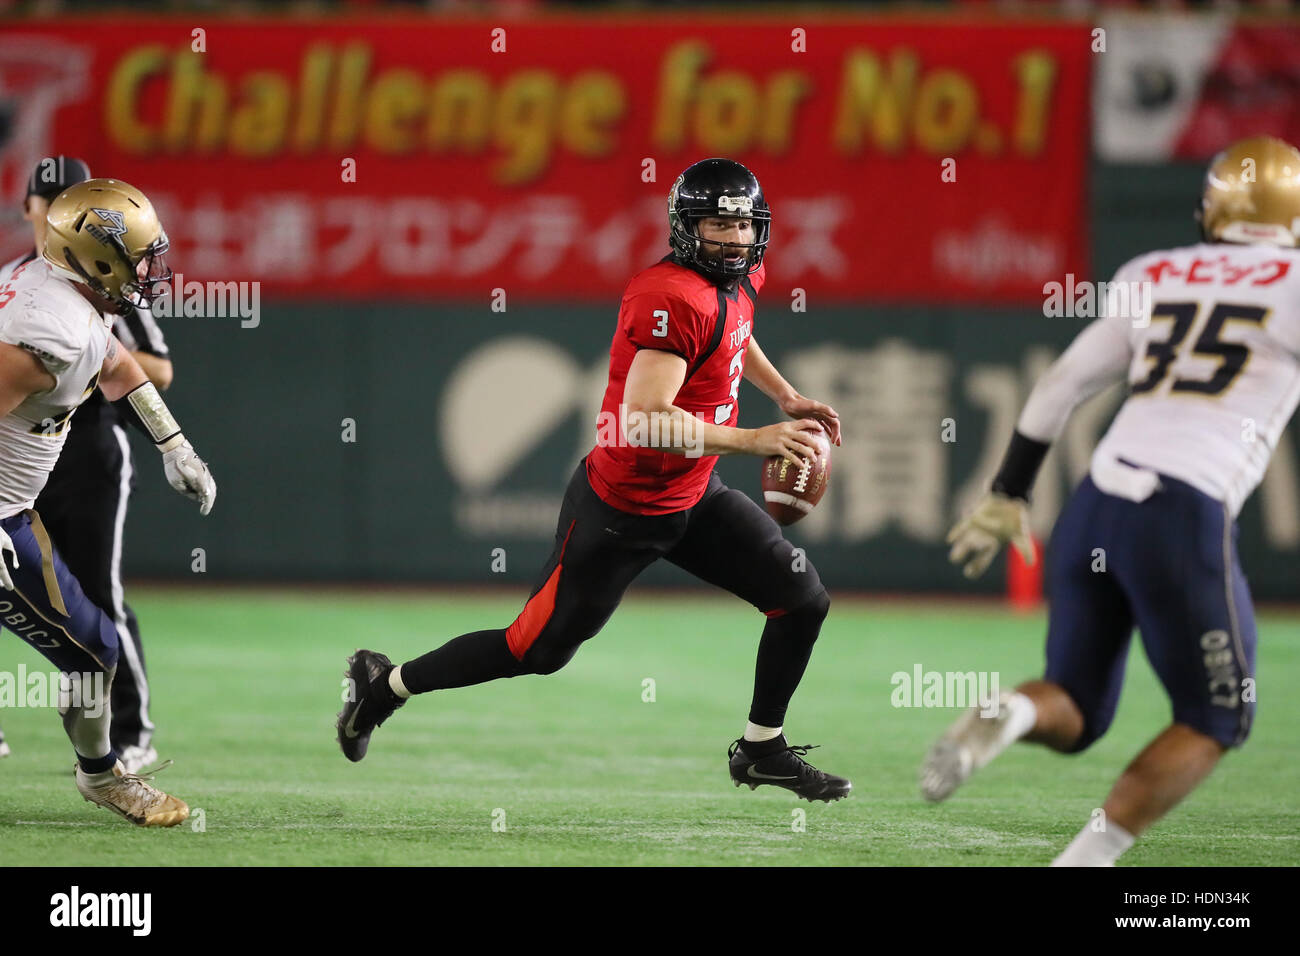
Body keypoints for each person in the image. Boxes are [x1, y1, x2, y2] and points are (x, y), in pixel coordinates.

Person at [337, 158, 852, 801]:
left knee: (801, 598)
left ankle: (761, 748)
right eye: (717, 225)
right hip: (623, 509)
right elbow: (642, 421)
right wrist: (754, 440)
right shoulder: (668, 296)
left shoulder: (741, 275)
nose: (732, 240)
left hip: (694, 494)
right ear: (687, 227)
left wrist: (786, 395)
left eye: (743, 226)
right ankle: (382, 686)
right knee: (533, 650)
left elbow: (734, 335)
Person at [926, 135, 1300, 865]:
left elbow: (1060, 387)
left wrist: (1007, 495)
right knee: (1217, 716)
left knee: (1077, 705)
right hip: (1181, 512)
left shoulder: (1153, 270)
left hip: (1096, 504)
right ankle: (1084, 863)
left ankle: (1013, 713)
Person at [0, 177, 215, 825]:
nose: (152, 268)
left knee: (95, 648)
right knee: (94, 650)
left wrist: (174, 444)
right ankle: (102, 777)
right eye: (140, 256)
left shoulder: (66, 297)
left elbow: (118, 365)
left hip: (16, 511)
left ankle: (100, 773)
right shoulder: (43, 335)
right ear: (95, 258)